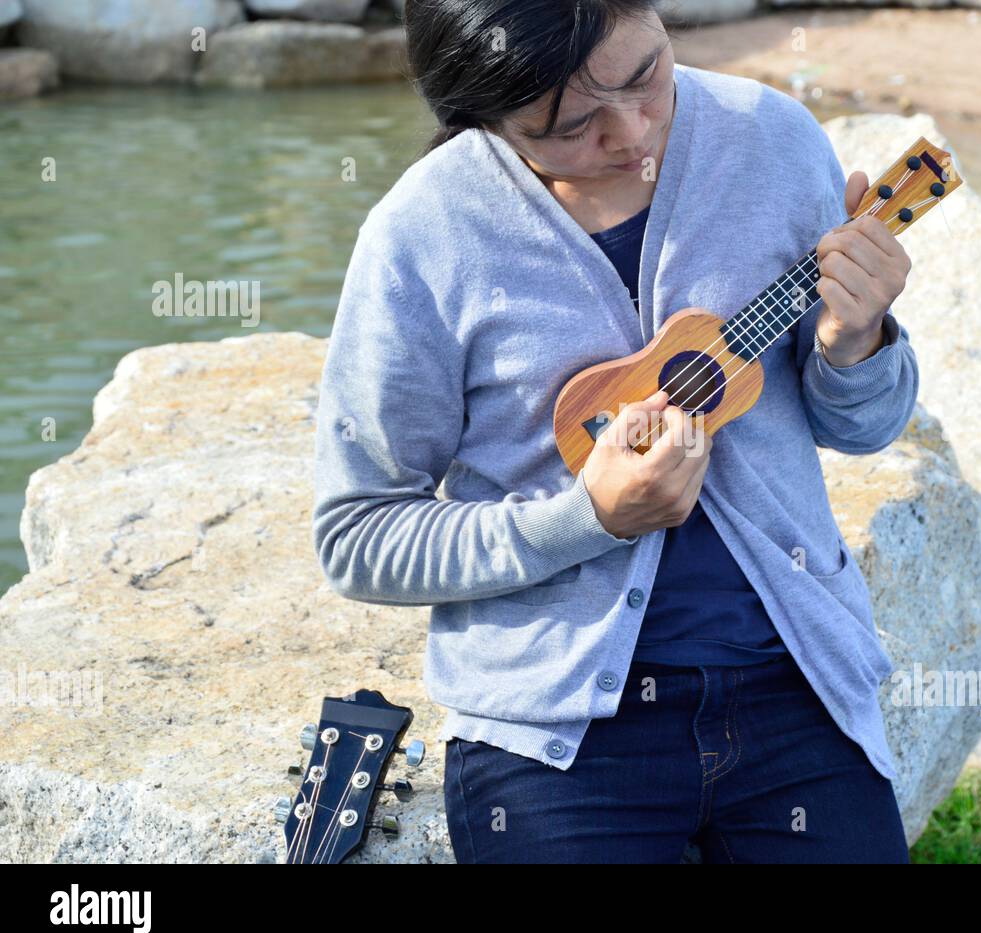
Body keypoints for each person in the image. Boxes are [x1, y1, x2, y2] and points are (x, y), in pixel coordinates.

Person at [313, 0, 919, 863]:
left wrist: (856, 344)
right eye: (567, 126)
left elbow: (866, 427)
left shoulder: (771, 140)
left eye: (646, 76)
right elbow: (357, 538)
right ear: (480, 115)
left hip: (796, 685)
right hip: (554, 726)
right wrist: (586, 517)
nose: (632, 134)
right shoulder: (424, 236)